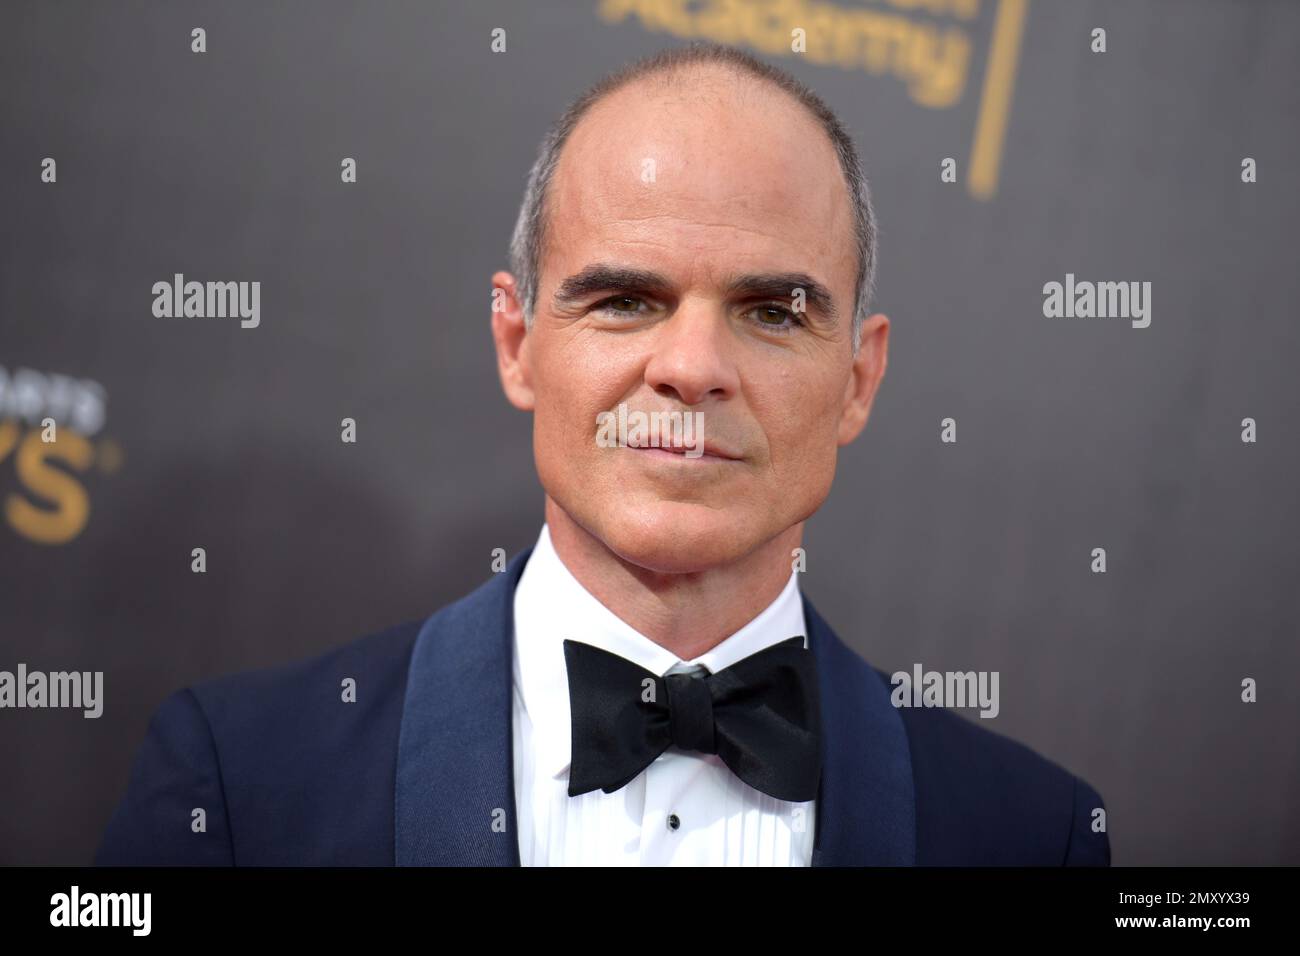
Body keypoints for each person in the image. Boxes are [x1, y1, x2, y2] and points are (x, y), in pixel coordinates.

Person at [96, 41, 1109, 867]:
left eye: (770, 310)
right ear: (516, 342)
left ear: (857, 378)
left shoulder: (1030, 833)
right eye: (626, 300)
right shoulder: (240, 783)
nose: (692, 367)